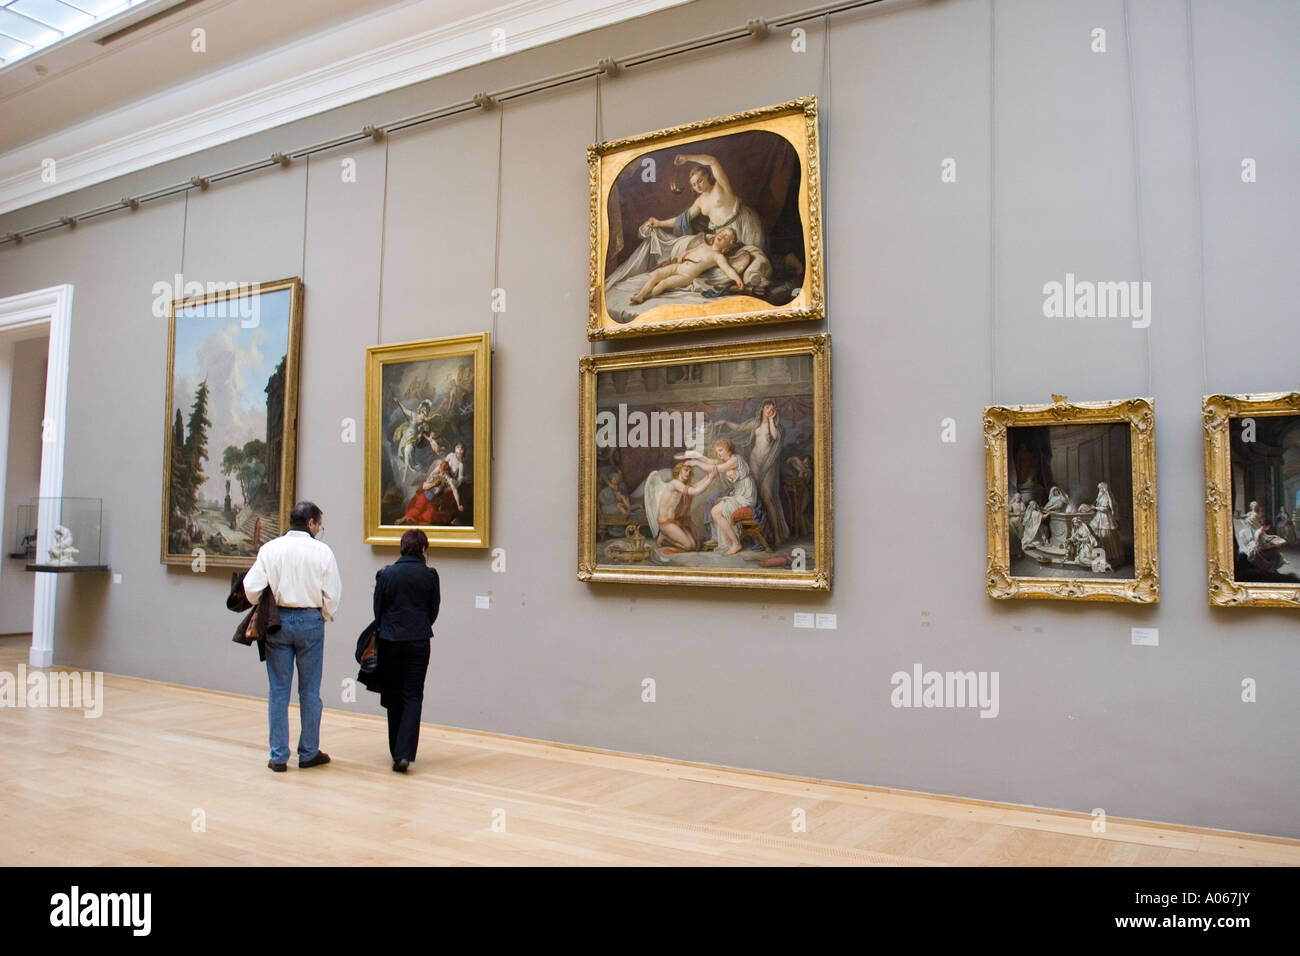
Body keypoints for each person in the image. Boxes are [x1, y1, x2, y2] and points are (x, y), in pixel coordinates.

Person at [243, 501, 342, 773]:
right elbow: (332, 597)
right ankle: (308, 752)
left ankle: (278, 756)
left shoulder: (270, 549)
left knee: (278, 691)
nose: (319, 530)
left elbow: (250, 589)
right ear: (310, 523)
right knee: (310, 691)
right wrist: (322, 615)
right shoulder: (323, 552)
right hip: (310, 621)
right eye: (319, 525)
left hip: (278, 622)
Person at [373, 529, 441, 773]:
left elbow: (377, 611)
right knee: (413, 695)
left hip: (390, 639)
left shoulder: (386, 574)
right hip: (419, 640)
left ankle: (395, 750)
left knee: (393, 695)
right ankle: (405, 753)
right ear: (423, 549)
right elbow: (433, 611)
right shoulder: (430, 575)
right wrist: (419, 626)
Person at [628, 229, 749, 304]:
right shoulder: (704, 246)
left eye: (726, 237)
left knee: (664, 283)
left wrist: (737, 279)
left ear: (727, 246)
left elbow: (727, 269)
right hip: (678, 266)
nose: (722, 236)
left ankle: (646, 296)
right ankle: (641, 294)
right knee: (657, 275)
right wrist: (681, 256)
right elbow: (689, 251)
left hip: (686, 275)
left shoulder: (718, 257)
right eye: (722, 233)